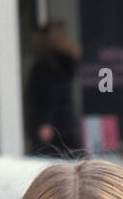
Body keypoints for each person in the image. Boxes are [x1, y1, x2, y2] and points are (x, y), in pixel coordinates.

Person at [24, 19, 83, 156]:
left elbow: (49, 96)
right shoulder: (46, 65)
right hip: (55, 123)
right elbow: (44, 97)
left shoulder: (57, 63)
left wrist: (45, 121)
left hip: (59, 123)